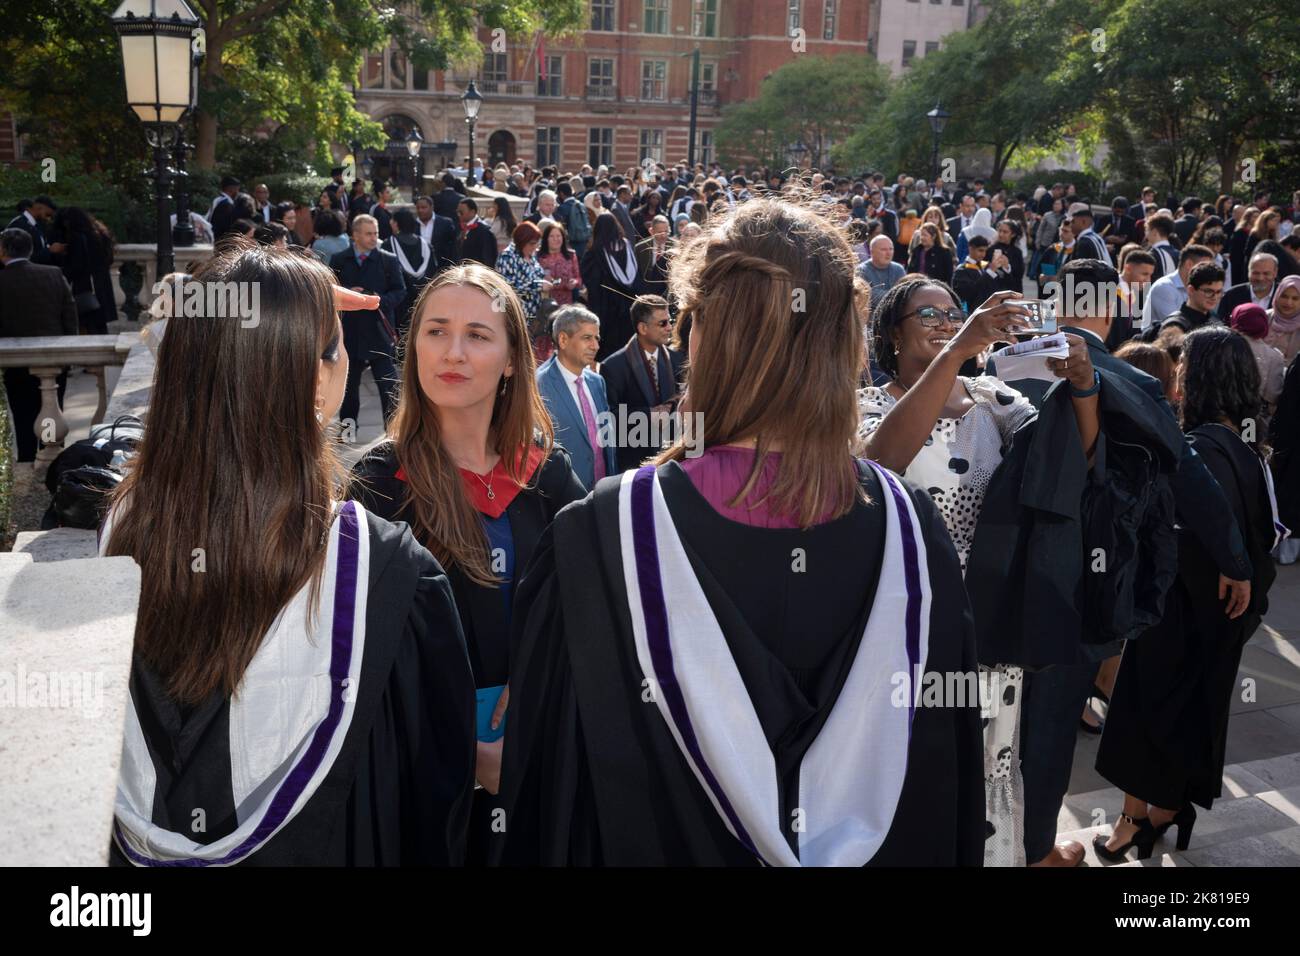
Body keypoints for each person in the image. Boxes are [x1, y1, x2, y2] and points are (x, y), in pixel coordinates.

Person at [495, 196, 985, 867]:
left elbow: (551, 811)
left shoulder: (600, 543)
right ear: (844, 343)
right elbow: (946, 794)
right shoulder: (912, 534)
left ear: (703, 336)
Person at [104, 246, 476, 866]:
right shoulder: (386, 576)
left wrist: (248, 310)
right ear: (317, 380)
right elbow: (434, 801)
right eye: (335, 345)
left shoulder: (127, 527)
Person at [987, 258, 1253, 867]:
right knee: (1048, 733)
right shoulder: (1130, 382)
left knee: (993, 727)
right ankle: (1031, 852)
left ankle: (992, 842)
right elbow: (1190, 476)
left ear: (1051, 306)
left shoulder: (1001, 370)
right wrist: (1234, 558)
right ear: (1111, 308)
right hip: (1079, 589)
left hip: (995, 580)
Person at [863, 276, 1104, 867]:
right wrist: (960, 346)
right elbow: (880, 465)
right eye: (929, 315)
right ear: (893, 333)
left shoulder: (994, 401)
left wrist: (1083, 386)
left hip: (991, 620)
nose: (946, 323)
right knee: (921, 761)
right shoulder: (867, 405)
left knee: (991, 757)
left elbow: (1077, 458)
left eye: (955, 314)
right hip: (909, 624)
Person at [349, 264, 586, 863]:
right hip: (422, 764)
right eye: (435, 331)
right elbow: (358, 657)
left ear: (512, 359)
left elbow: (594, 605)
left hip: (541, 750)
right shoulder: (377, 485)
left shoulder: (547, 474)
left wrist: (542, 688)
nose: (452, 352)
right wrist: (463, 746)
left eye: (478, 335)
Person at [1095, 327, 1280, 861]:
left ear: (1194, 379)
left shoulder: (1199, 448)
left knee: (1140, 709)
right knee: (1196, 708)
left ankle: (1133, 821)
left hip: (1181, 601)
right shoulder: (1248, 444)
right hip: (1226, 609)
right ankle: (1170, 808)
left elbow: (1189, 528)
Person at [0, 227, 76, 462]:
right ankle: (53, 460)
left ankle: (26, 460)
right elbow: (69, 315)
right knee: (52, 408)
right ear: (31, 249)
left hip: (16, 361)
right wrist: (70, 352)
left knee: (23, 414)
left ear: (3, 251)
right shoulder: (53, 273)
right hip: (54, 357)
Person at [328, 214, 406, 428]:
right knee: (349, 389)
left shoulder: (387, 259)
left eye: (376, 233)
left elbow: (400, 291)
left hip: (379, 332)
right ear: (355, 235)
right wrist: (347, 295)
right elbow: (329, 293)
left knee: (388, 388)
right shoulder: (339, 259)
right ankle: (347, 431)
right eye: (369, 234)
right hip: (350, 333)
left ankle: (393, 434)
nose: (374, 238)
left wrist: (376, 300)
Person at [599, 294, 686, 473]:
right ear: (643, 328)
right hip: (635, 464)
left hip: (674, 458)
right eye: (662, 323)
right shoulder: (614, 366)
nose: (670, 328)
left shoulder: (678, 359)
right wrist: (647, 415)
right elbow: (608, 418)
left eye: (670, 321)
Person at [535, 304, 617, 490]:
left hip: (602, 492)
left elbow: (605, 442)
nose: (595, 346)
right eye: (587, 338)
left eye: (597, 338)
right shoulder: (539, 385)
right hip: (564, 497)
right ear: (563, 339)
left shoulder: (597, 382)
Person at [581, 212, 640, 361]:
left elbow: (591, 281)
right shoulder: (627, 246)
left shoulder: (595, 252)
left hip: (607, 310)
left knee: (609, 354)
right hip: (628, 307)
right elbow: (637, 278)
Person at [48, 206, 115, 335]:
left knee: (85, 326)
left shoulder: (77, 237)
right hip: (100, 286)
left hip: (84, 288)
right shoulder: (99, 233)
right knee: (99, 328)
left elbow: (76, 266)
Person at [496, 221, 554, 357]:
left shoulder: (529, 254)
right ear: (522, 241)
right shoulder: (507, 256)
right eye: (532, 243)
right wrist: (539, 285)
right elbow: (507, 286)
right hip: (515, 315)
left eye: (537, 243)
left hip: (534, 316)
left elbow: (533, 275)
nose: (535, 247)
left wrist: (546, 279)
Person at [386, 208, 436, 338]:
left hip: (398, 303)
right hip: (422, 300)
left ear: (396, 224)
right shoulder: (426, 246)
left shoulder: (389, 245)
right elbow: (432, 272)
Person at [1142, 244, 1215, 332]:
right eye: (1204, 266)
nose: (1208, 272)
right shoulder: (1164, 287)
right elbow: (1175, 325)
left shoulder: (1198, 288)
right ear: (1189, 264)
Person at [1228, 303, 1286, 413]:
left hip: (1220, 414)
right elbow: (1272, 394)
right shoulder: (1274, 356)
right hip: (1251, 419)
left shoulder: (1222, 347)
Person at [1218, 251, 1278, 320]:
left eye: (1266, 273)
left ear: (1275, 273)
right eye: (1255, 273)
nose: (1260, 278)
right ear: (1248, 271)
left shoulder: (1285, 295)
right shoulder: (1231, 296)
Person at [537, 220, 583, 308]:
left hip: (567, 303)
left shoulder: (570, 255)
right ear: (546, 239)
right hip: (545, 302)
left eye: (558, 236)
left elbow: (578, 279)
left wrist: (574, 282)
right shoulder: (538, 256)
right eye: (552, 236)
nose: (556, 239)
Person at [415, 194, 458, 270]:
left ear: (432, 207)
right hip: (419, 269)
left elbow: (453, 247)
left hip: (441, 267)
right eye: (418, 208)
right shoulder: (412, 225)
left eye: (423, 207)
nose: (420, 210)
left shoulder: (445, 223)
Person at [856, 234, 905, 300]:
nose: (888, 253)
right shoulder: (862, 270)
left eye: (891, 249)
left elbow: (904, 295)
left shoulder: (899, 269)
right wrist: (895, 294)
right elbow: (869, 297)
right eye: (883, 249)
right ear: (872, 252)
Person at [1264, 274, 1300, 363]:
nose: (1288, 302)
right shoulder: (1264, 317)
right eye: (1284, 296)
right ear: (1277, 295)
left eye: (1295, 298)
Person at [456, 198, 498, 268]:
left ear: (472, 212)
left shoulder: (484, 231)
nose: (459, 215)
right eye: (458, 212)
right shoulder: (458, 227)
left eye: (461, 212)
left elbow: (488, 257)